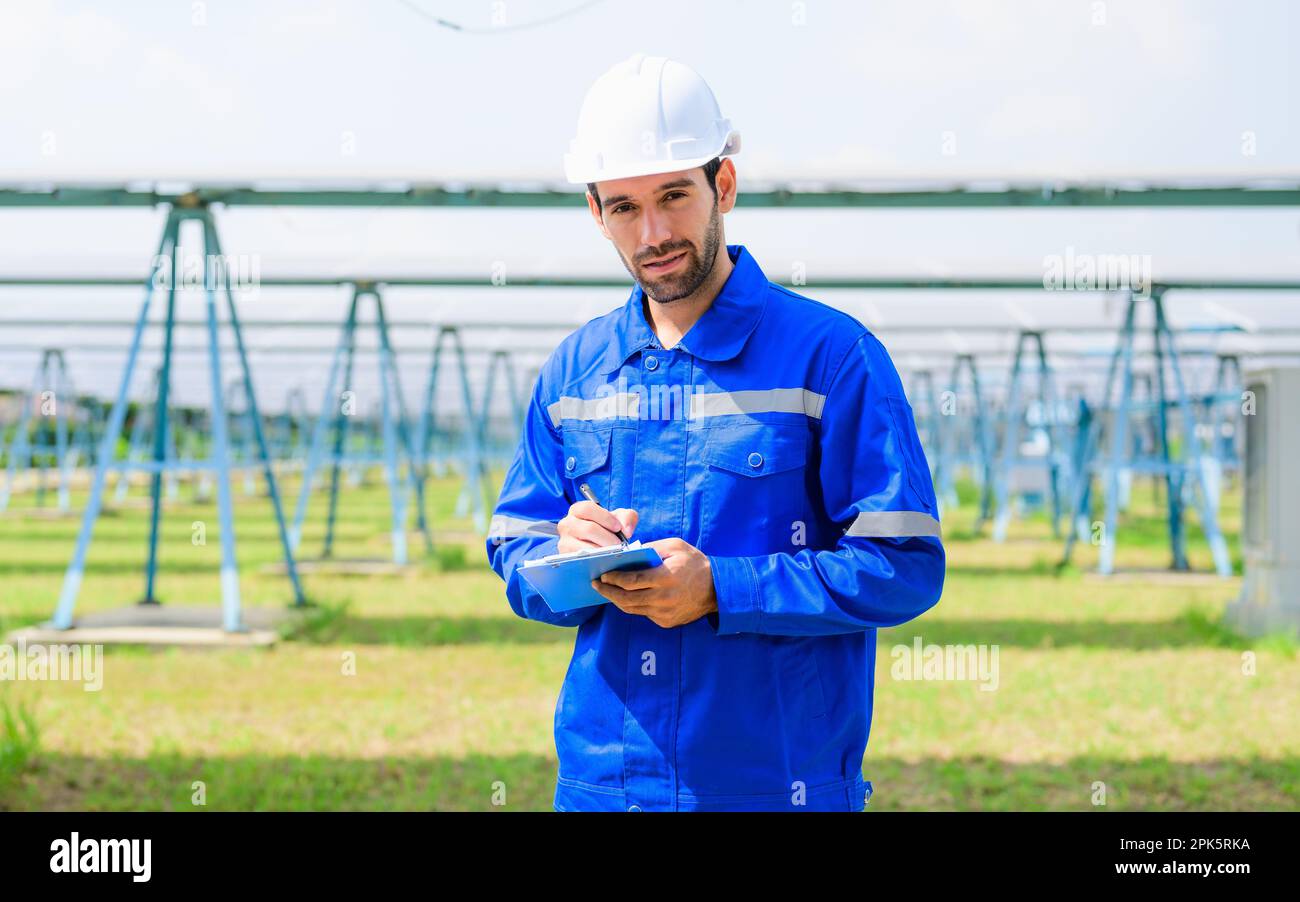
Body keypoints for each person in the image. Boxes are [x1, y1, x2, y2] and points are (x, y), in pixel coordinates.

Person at [486, 53, 945, 812]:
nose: (654, 232)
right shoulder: (575, 372)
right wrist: (563, 555)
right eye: (625, 208)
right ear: (595, 213)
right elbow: (514, 545)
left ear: (723, 185)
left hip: (774, 783)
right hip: (607, 785)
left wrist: (720, 590)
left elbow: (903, 564)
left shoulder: (831, 357)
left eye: (674, 196)